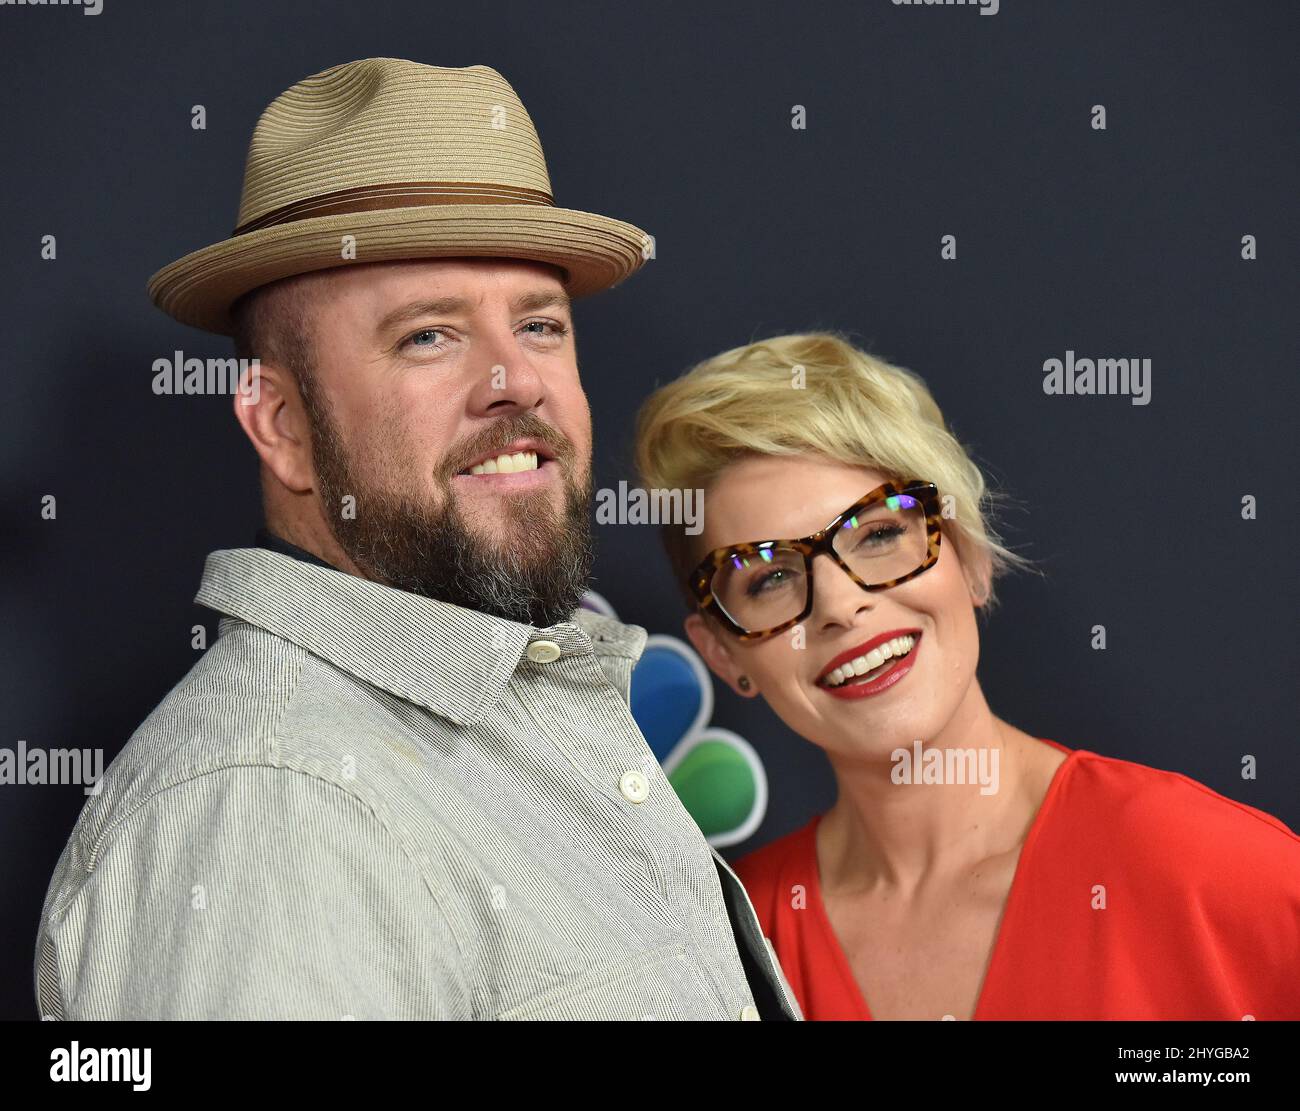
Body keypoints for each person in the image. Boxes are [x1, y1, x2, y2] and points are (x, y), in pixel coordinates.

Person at [33, 58, 801, 1021]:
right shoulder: (276, 810)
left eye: (540, 324)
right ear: (282, 425)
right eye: (428, 336)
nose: (516, 381)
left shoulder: (505, 710)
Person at [634, 330, 1300, 1020]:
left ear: (972, 556)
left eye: (879, 534)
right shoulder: (727, 953)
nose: (839, 604)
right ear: (723, 654)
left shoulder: (1217, 876)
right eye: (770, 578)